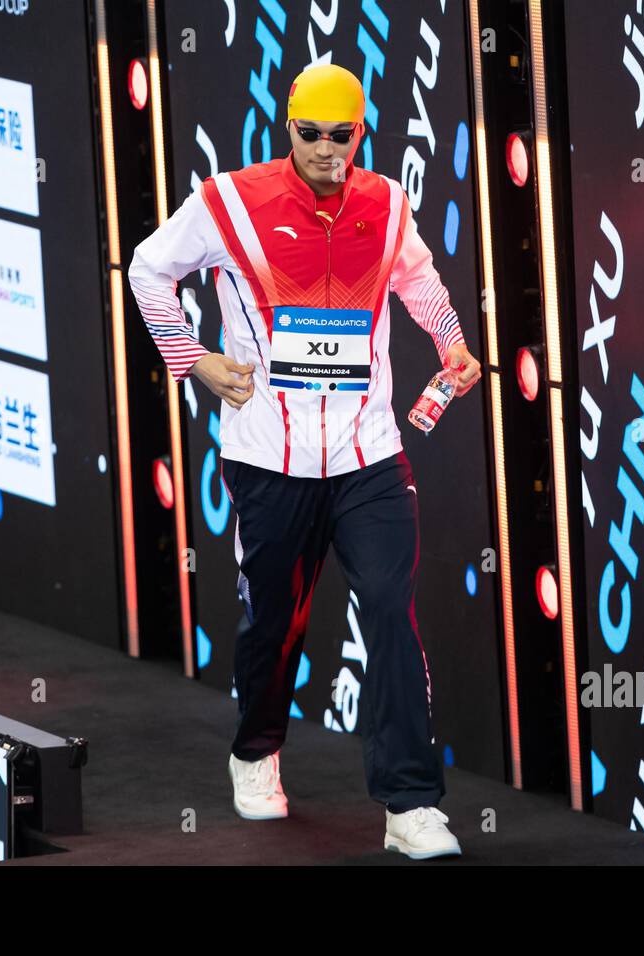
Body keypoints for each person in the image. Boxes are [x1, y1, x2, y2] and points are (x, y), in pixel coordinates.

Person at [127, 63, 482, 860]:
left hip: (369, 456)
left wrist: (452, 342)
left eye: (342, 133)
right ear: (287, 127)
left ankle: (410, 804)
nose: (326, 148)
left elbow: (417, 281)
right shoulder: (229, 200)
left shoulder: (387, 204)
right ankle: (255, 751)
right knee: (274, 623)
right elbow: (148, 269)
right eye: (311, 132)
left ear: (363, 131)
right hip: (269, 460)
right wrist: (193, 359)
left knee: (391, 610)